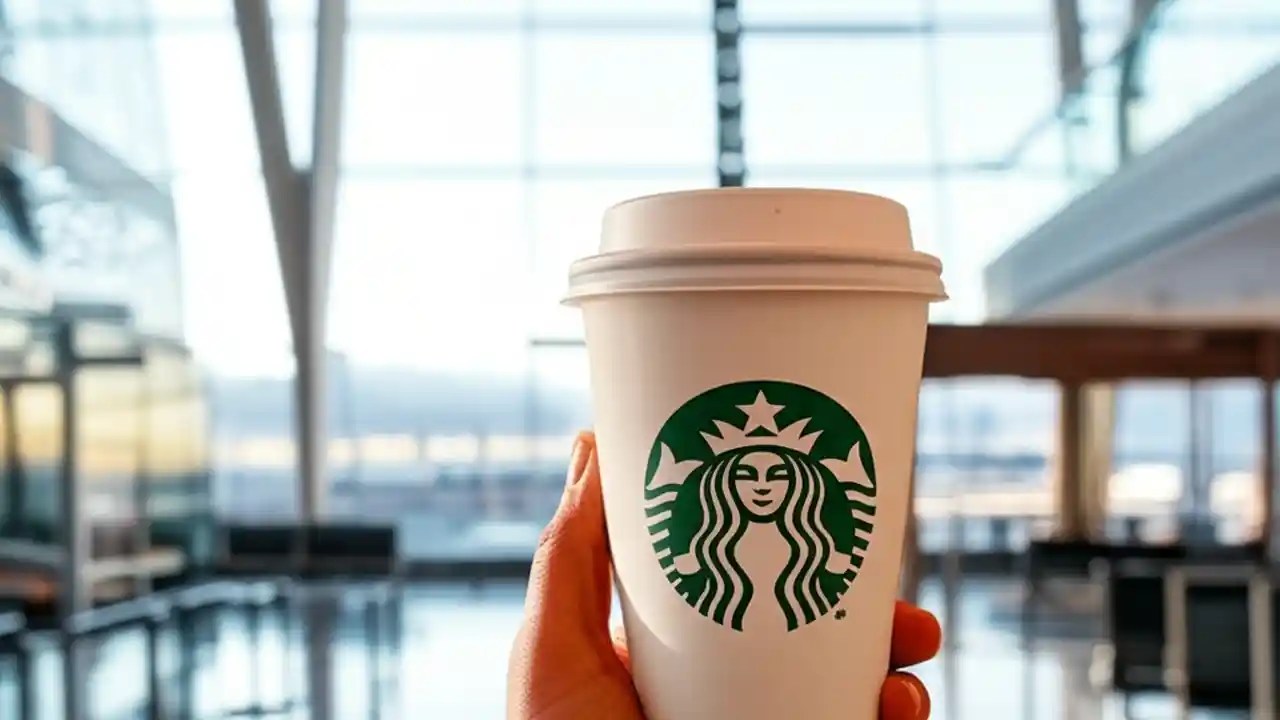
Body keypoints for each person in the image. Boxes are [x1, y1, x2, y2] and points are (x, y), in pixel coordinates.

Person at [508, 432, 940, 719]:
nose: (763, 486)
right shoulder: (710, 560)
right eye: (746, 474)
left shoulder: (812, 557)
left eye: (778, 474)